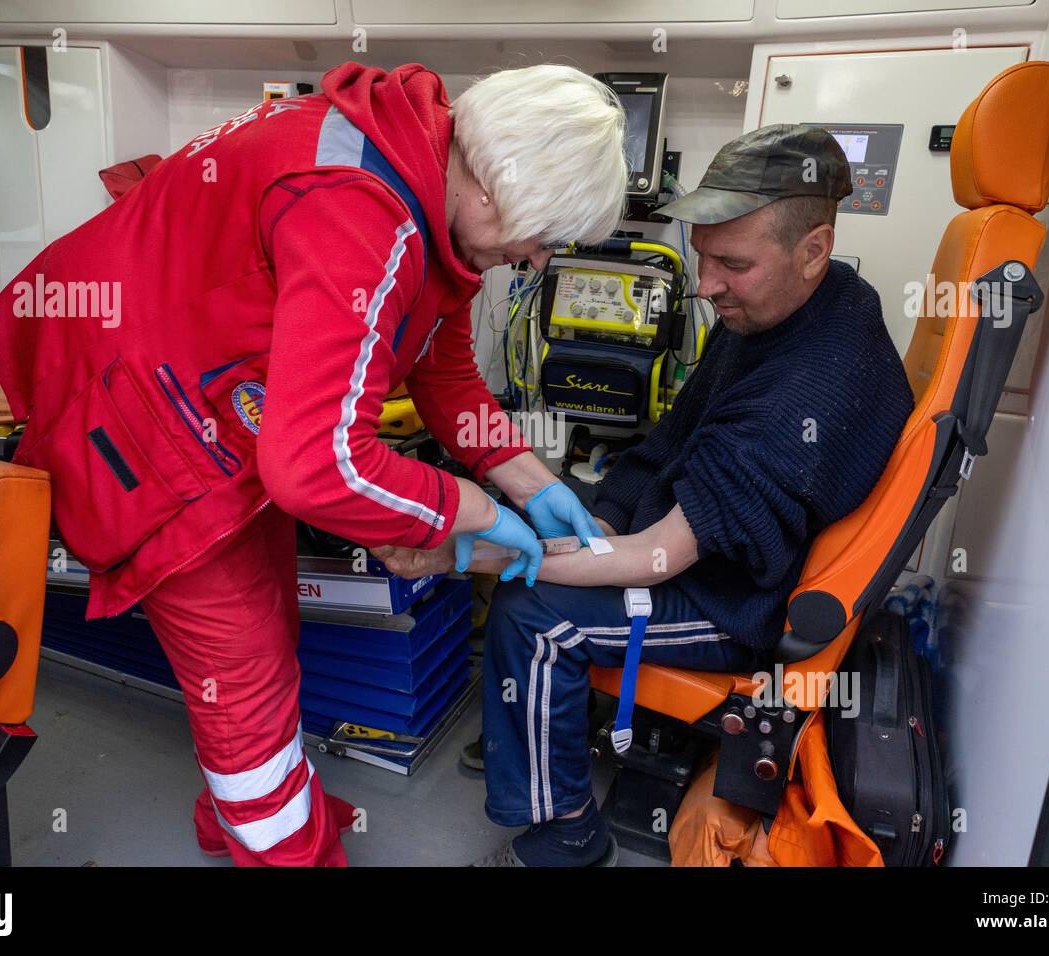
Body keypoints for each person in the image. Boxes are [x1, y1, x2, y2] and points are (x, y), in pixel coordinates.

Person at [0, 62, 628, 866]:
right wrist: (475, 512)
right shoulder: (363, 207)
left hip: (218, 410)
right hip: (144, 425)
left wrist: (533, 481)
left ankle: (243, 807)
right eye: (543, 239)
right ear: (500, 193)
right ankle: (283, 839)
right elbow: (319, 464)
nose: (534, 262)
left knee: (272, 635)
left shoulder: (424, 177)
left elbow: (442, 369)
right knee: (241, 671)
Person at [375, 125, 916, 866]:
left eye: (733, 264)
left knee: (534, 616)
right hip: (700, 536)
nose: (710, 283)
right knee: (552, 504)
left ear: (813, 250)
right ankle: (535, 725)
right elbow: (667, 441)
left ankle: (564, 838)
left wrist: (462, 555)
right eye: (702, 256)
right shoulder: (788, 309)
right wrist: (597, 515)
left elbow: (658, 557)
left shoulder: (810, 387)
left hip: (736, 597)